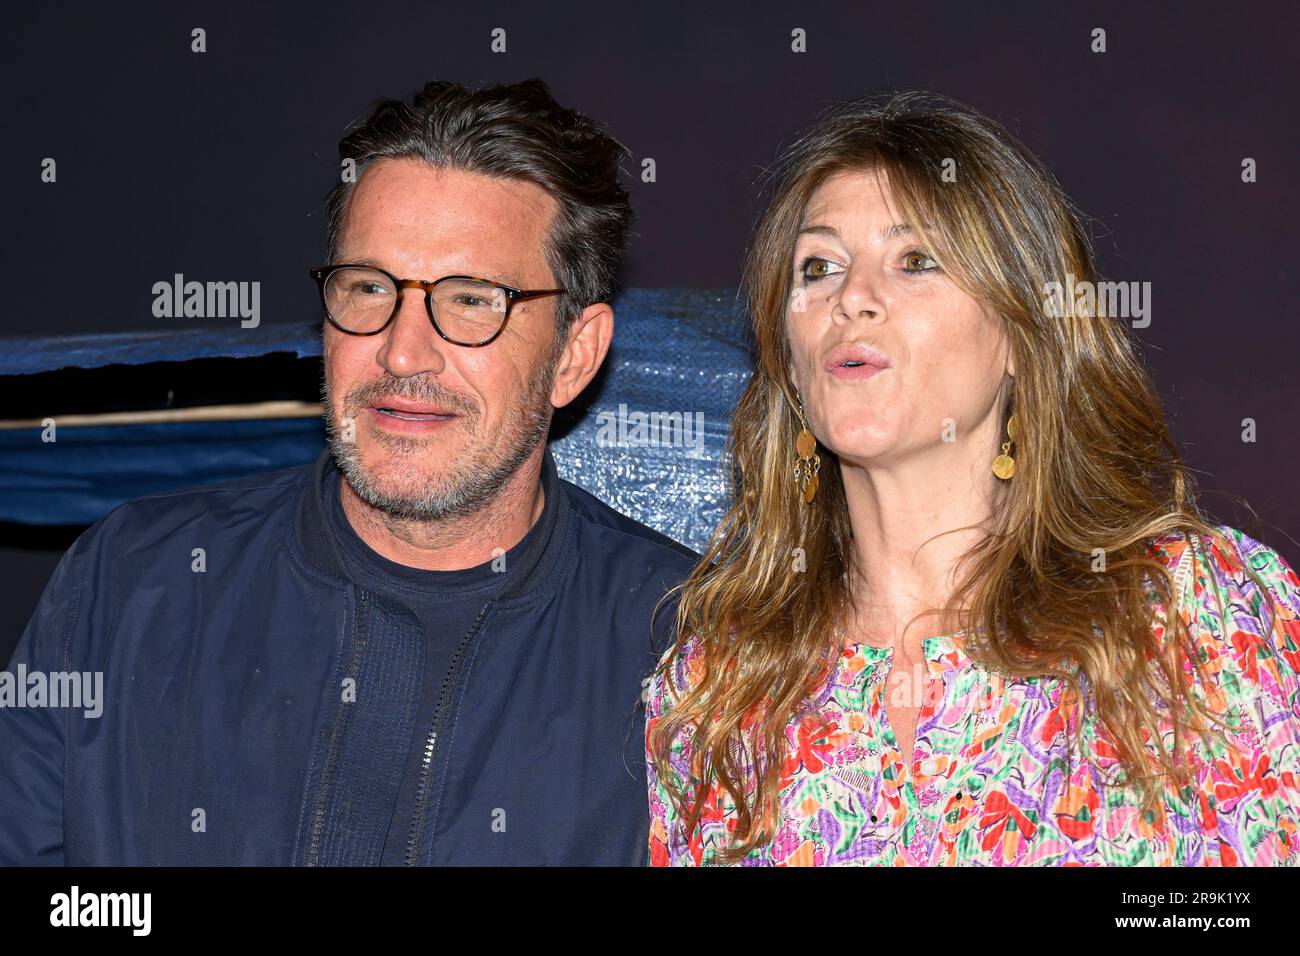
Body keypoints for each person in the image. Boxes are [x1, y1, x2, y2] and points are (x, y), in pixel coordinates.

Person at [0, 78, 696, 865]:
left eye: (471, 301)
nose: (402, 352)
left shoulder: (689, 651)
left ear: (574, 355)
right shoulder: (125, 584)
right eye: (368, 288)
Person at [645, 91, 1300, 866]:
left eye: (915, 260)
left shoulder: (1195, 613)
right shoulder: (720, 684)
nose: (851, 297)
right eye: (818, 266)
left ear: (1023, 333)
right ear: (788, 359)